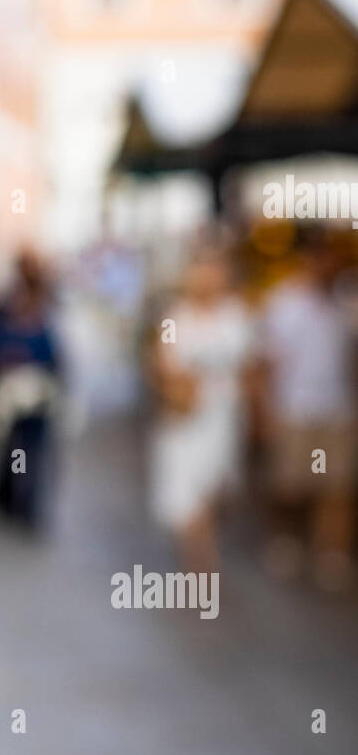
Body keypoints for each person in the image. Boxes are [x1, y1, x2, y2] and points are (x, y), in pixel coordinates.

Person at [148, 244, 256, 571]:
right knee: (185, 490)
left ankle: (202, 553)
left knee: (218, 486)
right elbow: (160, 365)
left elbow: (252, 366)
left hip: (223, 417)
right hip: (185, 419)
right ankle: (200, 560)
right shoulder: (175, 316)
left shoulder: (236, 315)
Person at [259, 230, 356, 591]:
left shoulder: (347, 302)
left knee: (337, 486)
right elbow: (270, 361)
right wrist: (267, 411)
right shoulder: (284, 304)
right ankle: (287, 541)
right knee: (291, 484)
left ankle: (331, 553)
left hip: (338, 411)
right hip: (295, 409)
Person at [0, 251, 63, 529]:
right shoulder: (5, 310)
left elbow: (56, 355)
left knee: (31, 450)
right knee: (11, 449)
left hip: (37, 396)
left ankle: (26, 505)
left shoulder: (46, 311)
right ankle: (9, 500)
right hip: (10, 396)